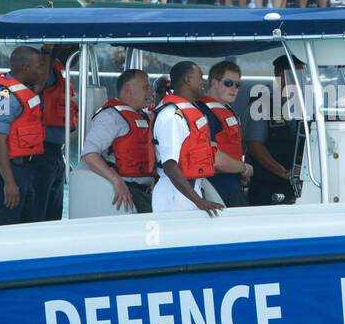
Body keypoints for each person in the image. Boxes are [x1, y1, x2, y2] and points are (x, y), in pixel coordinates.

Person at [0, 45, 46, 227]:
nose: (41, 71)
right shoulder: (4, 96)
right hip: (4, 171)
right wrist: (9, 182)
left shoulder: (23, 89)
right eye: (38, 66)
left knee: (26, 226)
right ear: (25, 68)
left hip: (22, 168)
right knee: (4, 226)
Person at [152, 60, 225, 216]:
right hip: (175, 195)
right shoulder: (171, 116)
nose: (203, 81)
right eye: (200, 76)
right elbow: (170, 166)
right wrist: (199, 202)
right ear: (188, 79)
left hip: (189, 192)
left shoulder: (187, 111)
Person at [80, 68, 157, 213]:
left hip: (147, 191)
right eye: (145, 87)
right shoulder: (111, 117)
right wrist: (116, 181)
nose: (150, 92)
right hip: (128, 192)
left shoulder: (143, 117)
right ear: (128, 89)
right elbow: (89, 154)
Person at [245, 54, 304, 206]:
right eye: (296, 74)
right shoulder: (261, 106)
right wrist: (282, 172)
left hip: (302, 186)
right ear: (280, 76)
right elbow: (254, 145)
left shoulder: (308, 105)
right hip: (269, 187)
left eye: (303, 74)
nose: (301, 79)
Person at [31, 45, 78, 222]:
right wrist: (50, 50)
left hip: (57, 154)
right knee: (39, 210)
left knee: (53, 212)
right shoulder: (46, 73)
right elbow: (39, 83)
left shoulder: (60, 73)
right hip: (41, 153)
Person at [202, 61, 253, 207]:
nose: (234, 89)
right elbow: (214, 158)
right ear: (214, 83)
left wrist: (237, 172)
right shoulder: (205, 112)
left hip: (232, 182)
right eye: (228, 83)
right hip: (215, 186)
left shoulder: (226, 109)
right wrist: (243, 168)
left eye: (237, 85)